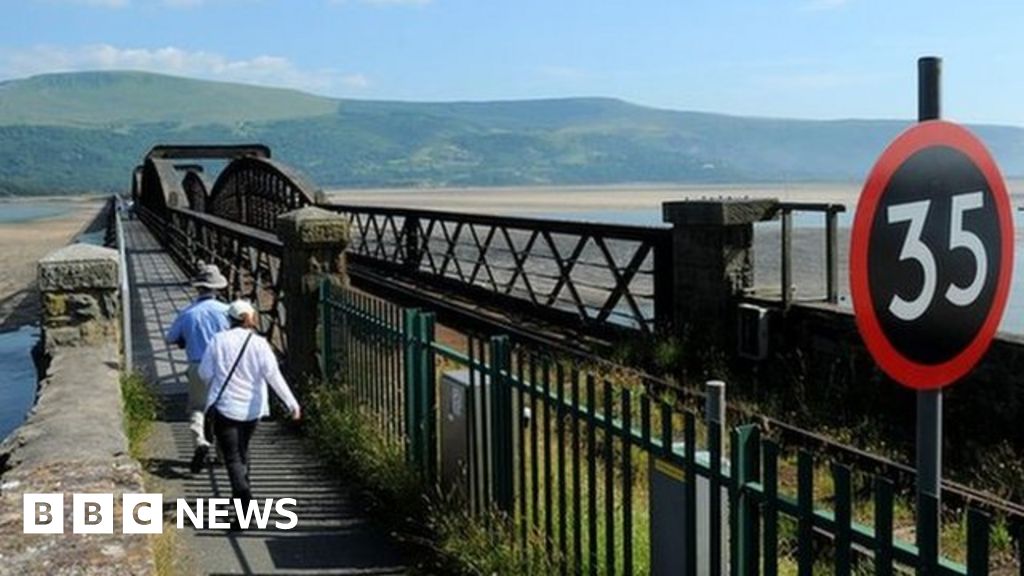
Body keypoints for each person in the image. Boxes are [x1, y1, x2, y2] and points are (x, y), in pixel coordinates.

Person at [200, 299, 301, 515]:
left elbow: (204, 373)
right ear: (251, 319)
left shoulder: (218, 341)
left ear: (229, 319)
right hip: (252, 410)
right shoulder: (260, 344)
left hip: (226, 407)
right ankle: (242, 495)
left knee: (232, 457)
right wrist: (291, 403)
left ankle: (244, 501)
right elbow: (273, 376)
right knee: (243, 451)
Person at [166, 263, 230, 473]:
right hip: (223, 367)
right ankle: (222, 454)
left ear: (198, 288)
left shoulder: (188, 314)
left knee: (197, 408)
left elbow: (170, 338)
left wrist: (185, 339)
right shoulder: (227, 311)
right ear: (217, 288)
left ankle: (201, 441)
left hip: (198, 365)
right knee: (223, 411)